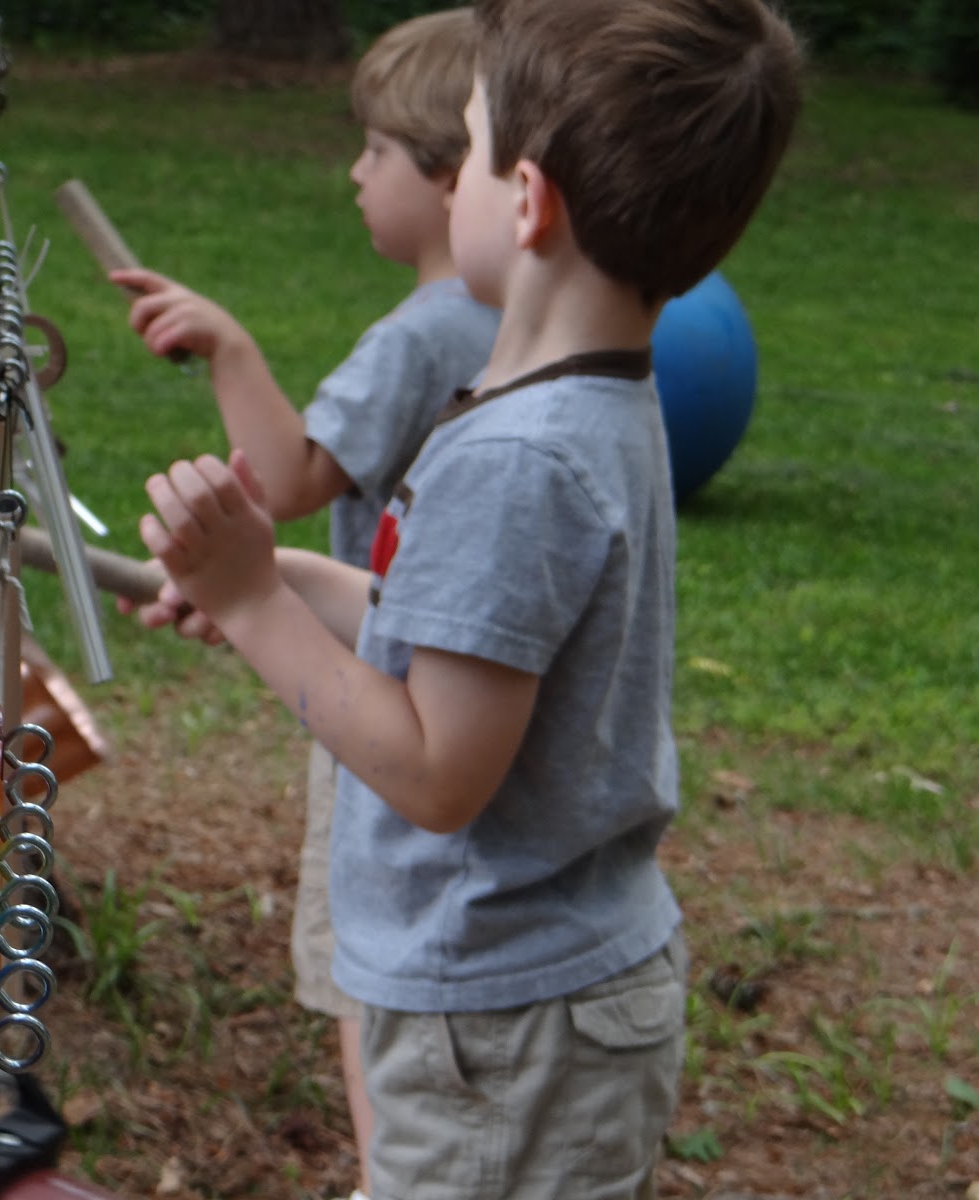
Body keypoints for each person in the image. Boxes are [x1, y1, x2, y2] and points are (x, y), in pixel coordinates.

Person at [131, 0, 803, 1196]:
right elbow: (436, 625)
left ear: (528, 200)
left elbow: (439, 771)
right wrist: (276, 578)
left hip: (505, 1028)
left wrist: (249, 610)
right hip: (535, 1003)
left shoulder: (520, 456)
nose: (450, 190)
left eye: (472, 153)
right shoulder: (582, 399)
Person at [110, 13, 497, 1198]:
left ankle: (390, 1170)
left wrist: (229, 349)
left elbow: (279, 483)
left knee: (355, 956)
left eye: (374, 150)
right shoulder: (504, 324)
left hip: (375, 691)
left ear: (446, 177)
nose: (352, 172)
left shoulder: (424, 330)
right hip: (435, 671)